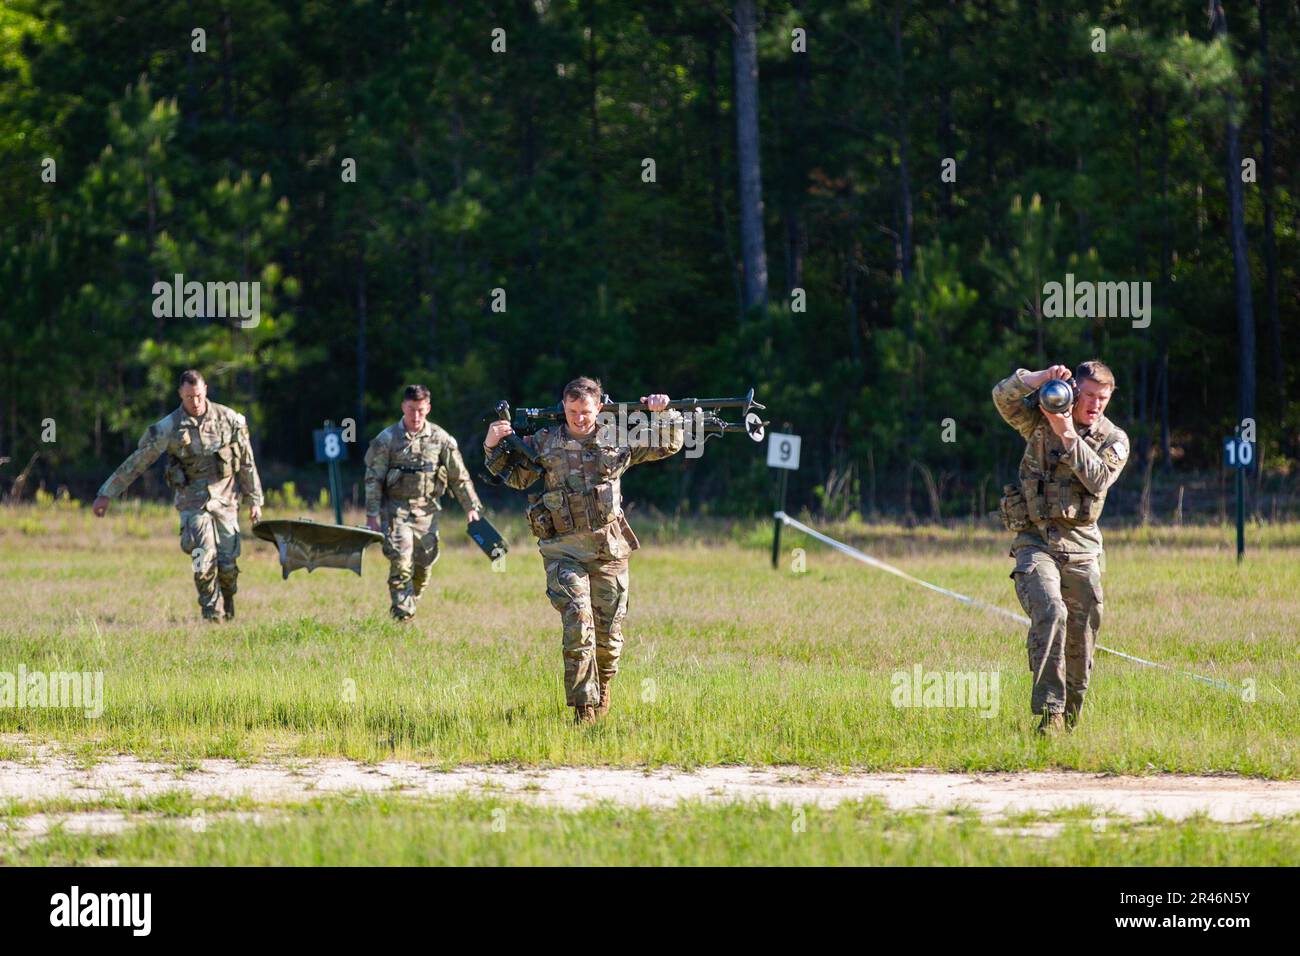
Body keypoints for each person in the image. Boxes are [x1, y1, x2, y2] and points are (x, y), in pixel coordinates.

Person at [483, 376, 683, 724]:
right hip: (563, 551)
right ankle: (582, 709)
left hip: (609, 551)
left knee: (608, 637)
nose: (579, 418)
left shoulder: (617, 438)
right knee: (578, 621)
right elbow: (514, 477)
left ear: (599, 407)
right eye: (573, 411)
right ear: (563, 407)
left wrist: (663, 413)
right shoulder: (544, 443)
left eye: (586, 411)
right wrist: (491, 446)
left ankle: (603, 688)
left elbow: (667, 445)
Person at [992, 360, 1130, 735]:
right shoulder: (1040, 419)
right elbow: (1002, 398)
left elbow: (1098, 480)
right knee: (1051, 610)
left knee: (1082, 635)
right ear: (1073, 391)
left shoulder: (1113, 439)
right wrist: (1039, 379)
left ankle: (1070, 720)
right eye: (1088, 395)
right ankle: (1049, 714)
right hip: (1035, 540)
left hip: (1082, 549)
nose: (1095, 404)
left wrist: (1067, 433)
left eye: (1103, 398)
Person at [92, 369, 263, 622]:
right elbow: (138, 461)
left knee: (228, 564)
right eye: (187, 397)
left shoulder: (230, 419)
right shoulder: (169, 427)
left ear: (205, 389)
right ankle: (210, 614)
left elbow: (247, 462)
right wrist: (107, 493)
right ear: (180, 395)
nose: (194, 402)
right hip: (192, 501)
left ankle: (228, 601)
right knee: (202, 557)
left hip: (226, 499)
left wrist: (254, 501)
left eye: (197, 395)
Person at [364, 385, 483, 621]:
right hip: (395, 510)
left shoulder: (440, 439)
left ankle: (409, 600)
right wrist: (372, 515)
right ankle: (403, 616)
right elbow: (373, 478)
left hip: (427, 512)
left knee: (424, 565)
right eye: (411, 410)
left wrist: (471, 507)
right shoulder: (386, 439)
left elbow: (459, 477)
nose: (415, 416)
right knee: (401, 560)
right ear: (403, 408)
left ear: (427, 408)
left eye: (420, 410)